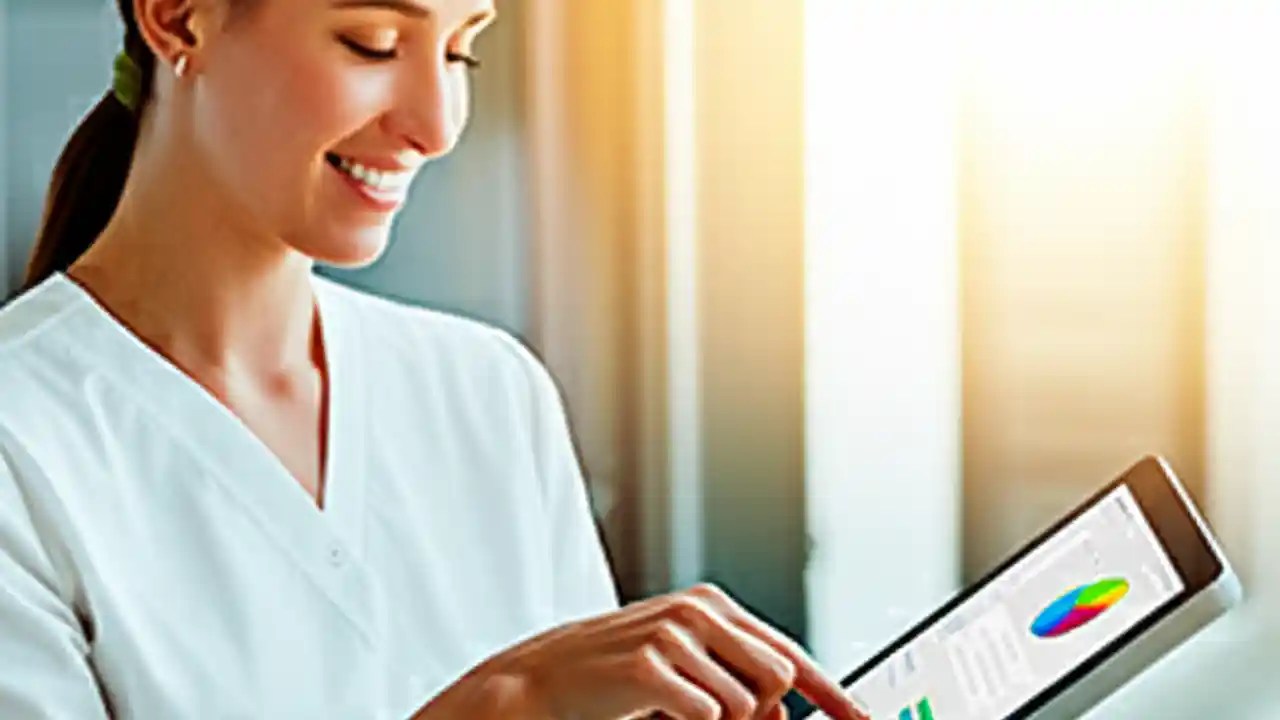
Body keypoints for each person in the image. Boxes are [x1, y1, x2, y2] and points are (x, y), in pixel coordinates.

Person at [0, 0, 868, 718]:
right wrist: (505, 701)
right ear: (179, 18)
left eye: (462, 55)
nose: (437, 125)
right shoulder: (23, 440)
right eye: (371, 44)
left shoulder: (488, 391)